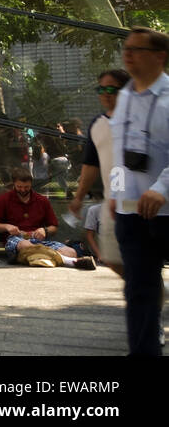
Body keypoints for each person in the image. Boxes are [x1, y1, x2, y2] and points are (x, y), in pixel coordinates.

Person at [108, 26, 169, 355]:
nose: (128, 54)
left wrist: (162, 188)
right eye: (126, 48)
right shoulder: (126, 96)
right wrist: (115, 195)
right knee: (139, 294)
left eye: (137, 49)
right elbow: (120, 156)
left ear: (160, 57)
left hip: (167, 212)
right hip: (131, 215)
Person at [68, 68, 131, 277]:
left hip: (142, 202)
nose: (105, 93)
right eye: (101, 88)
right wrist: (78, 197)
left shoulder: (138, 121)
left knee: (141, 259)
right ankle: (154, 292)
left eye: (111, 88)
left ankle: (146, 297)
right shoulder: (97, 125)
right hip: (113, 203)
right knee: (113, 259)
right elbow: (91, 166)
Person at [0, 167, 95, 269]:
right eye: (19, 187)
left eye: (26, 187)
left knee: (71, 252)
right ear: (13, 184)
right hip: (16, 241)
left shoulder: (42, 201)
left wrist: (45, 230)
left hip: (39, 241)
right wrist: (7, 227)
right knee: (25, 245)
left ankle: (43, 259)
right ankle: (68, 262)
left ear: (31, 184)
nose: (23, 190)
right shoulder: (4, 199)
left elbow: (54, 226)